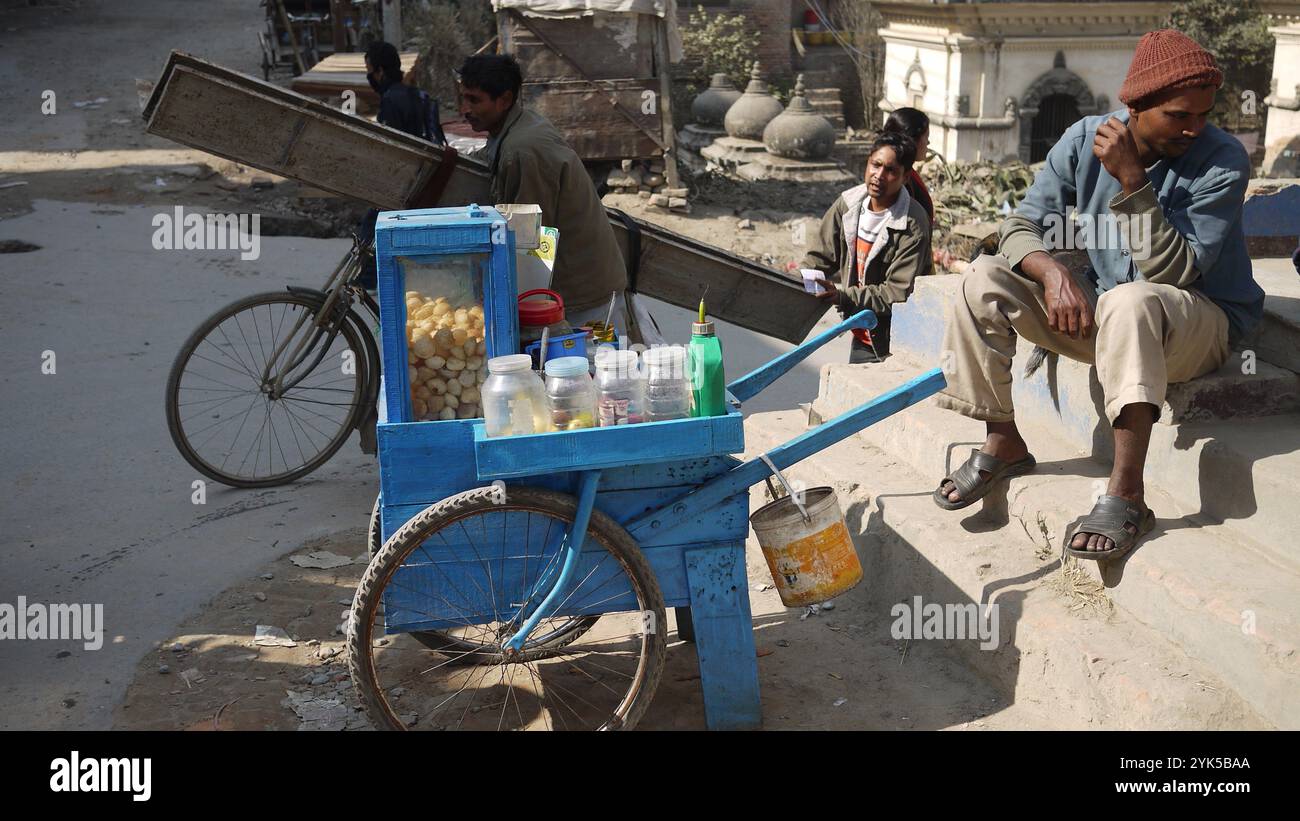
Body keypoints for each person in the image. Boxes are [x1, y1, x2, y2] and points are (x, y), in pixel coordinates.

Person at [931, 29, 1265, 562]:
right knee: (984, 276)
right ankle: (1004, 440)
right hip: (1112, 311)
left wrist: (1133, 181)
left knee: (1131, 299)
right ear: (1135, 105)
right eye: (1180, 115)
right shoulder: (1084, 139)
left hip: (1199, 325)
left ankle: (1127, 491)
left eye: (1202, 115)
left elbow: (1173, 274)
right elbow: (1019, 225)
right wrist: (1052, 273)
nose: (1194, 128)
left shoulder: (1222, 160)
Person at [457, 54, 636, 339]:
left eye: (474, 100)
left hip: (585, 299)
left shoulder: (522, 150)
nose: (463, 108)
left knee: (596, 369)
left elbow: (527, 241)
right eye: (463, 98)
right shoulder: (517, 128)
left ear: (504, 99)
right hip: (586, 289)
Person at [801, 131, 932, 363]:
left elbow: (898, 292)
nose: (879, 175)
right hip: (861, 331)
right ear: (868, 162)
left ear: (905, 177)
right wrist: (801, 280)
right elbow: (820, 256)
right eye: (876, 165)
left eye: (890, 171)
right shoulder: (848, 205)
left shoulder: (912, 223)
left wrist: (843, 296)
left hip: (897, 339)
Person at [882, 107, 934, 224]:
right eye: (926, 137)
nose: (928, 142)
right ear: (913, 140)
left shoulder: (905, 172)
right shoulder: (899, 183)